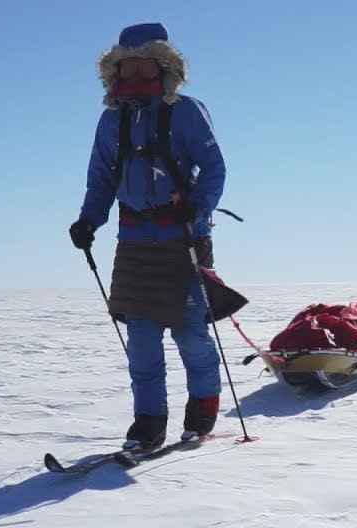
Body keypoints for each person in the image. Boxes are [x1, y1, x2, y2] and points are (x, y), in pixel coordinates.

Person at [67, 22, 227, 451]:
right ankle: (149, 422)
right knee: (141, 342)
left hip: (183, 240)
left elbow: (214, 169)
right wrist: (88, 221)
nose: (133, 76)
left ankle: (203, 411)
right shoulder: (110, 122)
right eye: (126, 67)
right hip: (134, 244)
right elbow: (100, 179)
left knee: (190, 333)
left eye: (143, 66)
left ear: (163, 68)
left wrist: (196, 206)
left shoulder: (187, 111)